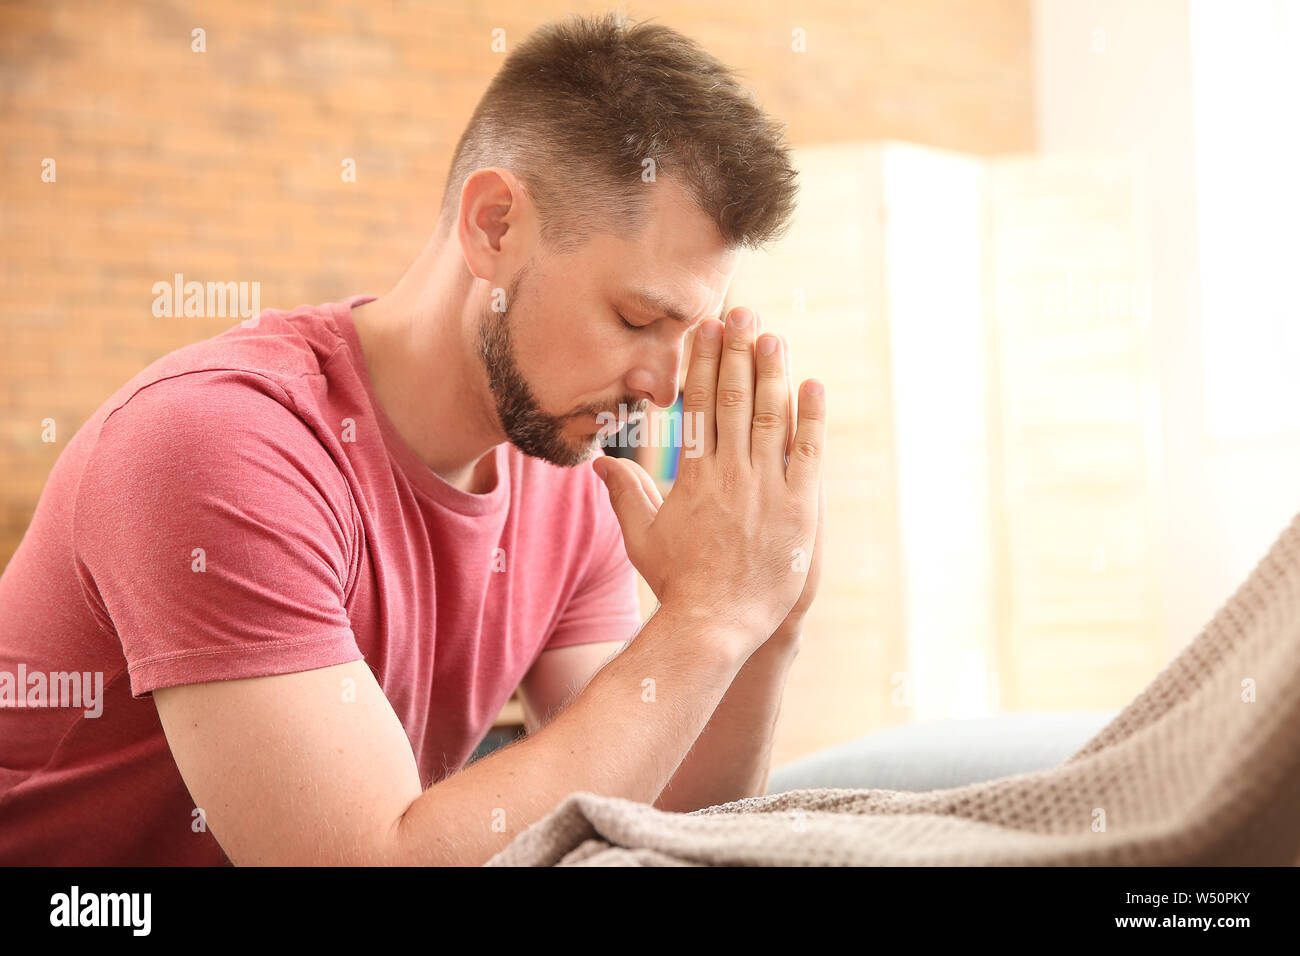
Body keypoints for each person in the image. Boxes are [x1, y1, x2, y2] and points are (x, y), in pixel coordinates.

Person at [0, 11, 824, 865]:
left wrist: (762, 624)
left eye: (683, 333)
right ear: (494, 225)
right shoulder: (218, 443)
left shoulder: (568, 481)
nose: (660, 386)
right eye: (635, 317)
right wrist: (705, 618)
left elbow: (645, 820)